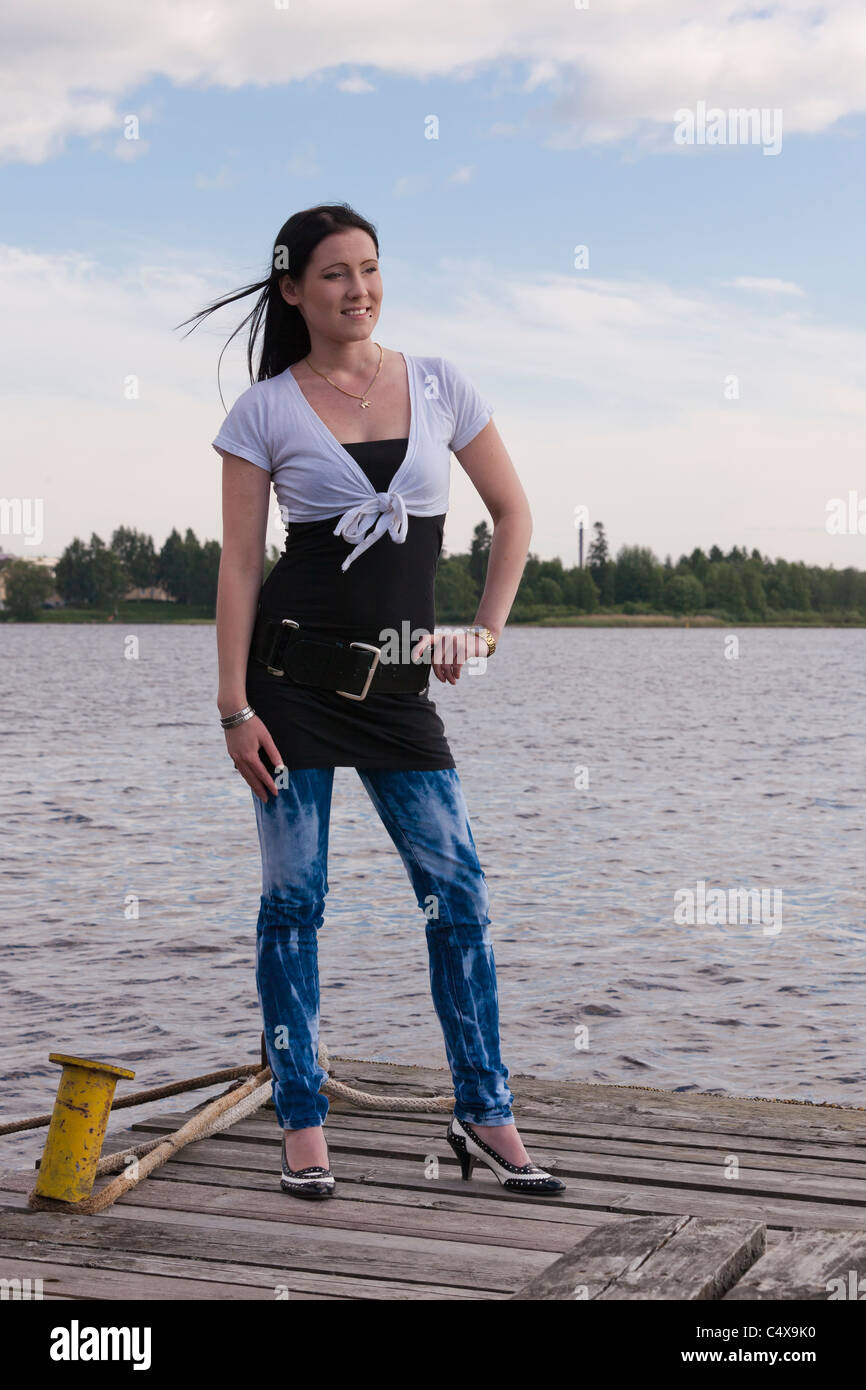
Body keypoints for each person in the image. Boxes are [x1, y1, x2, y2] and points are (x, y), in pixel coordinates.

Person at [180, 202, 565, 1199]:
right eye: (336, 274)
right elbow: (236, 571)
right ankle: (301, 1120)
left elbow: (514, 512)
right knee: (293, 903)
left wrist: (480, 632)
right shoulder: (262, 410)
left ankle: (483, 1109)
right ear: (293, 290)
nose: (358, 289)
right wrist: (232, 707)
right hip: (289, 685)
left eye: (370, 268)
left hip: (398, 687)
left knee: (459, 897)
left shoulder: (440, 384)